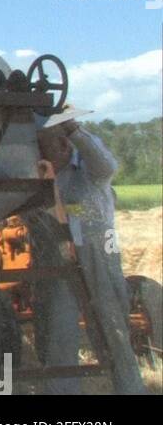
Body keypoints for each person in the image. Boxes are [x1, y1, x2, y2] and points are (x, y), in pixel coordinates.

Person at [31, 107, 147, 395]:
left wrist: (73, 128)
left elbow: (108, 166)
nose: (40, 154)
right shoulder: (42, 173)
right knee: (60, 327)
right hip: (59, 253)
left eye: (45, 147)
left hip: (99, 249)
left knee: (112, 323)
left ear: (64, 144)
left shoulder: (91, 168)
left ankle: (129, 389)